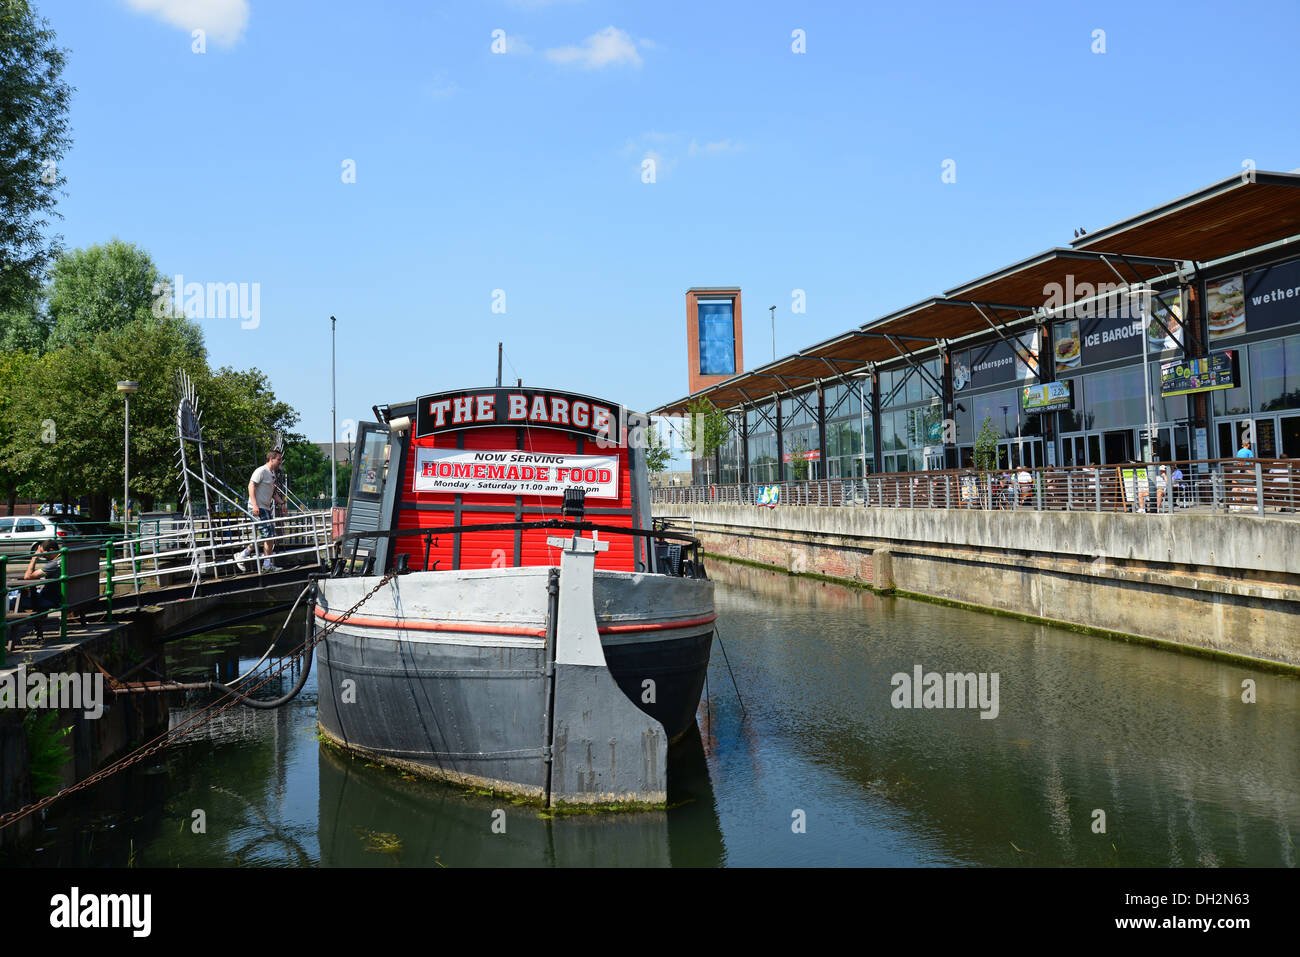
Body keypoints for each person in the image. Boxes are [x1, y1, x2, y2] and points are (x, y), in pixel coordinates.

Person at [236, 448, 284, 571]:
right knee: (267, 535)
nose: (280, 462)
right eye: (279, 459)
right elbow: (251, 486)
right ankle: (243, 555)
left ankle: (265, 564)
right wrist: (255, 505)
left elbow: (273, 493)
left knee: (269, 536)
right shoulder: (261, 471)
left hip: (265, 508)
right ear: (271, 459)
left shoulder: (272, 474)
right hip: (258, 507)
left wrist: (283, 503)